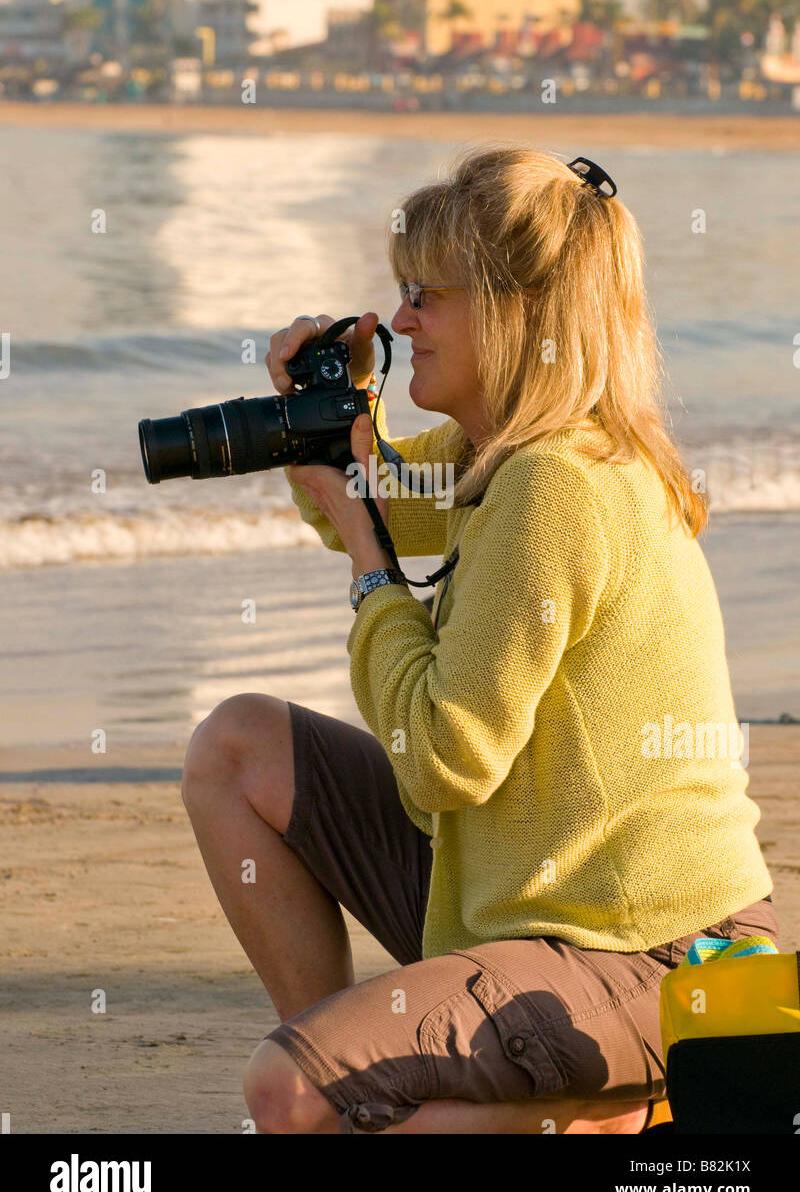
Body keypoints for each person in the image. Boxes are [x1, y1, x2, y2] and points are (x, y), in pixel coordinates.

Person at [182, 146, 778, 1135]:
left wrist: (374, 570)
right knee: (237, 746)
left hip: (654, 955)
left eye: (426, 296)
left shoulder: (555, 485)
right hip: (515, 898)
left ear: (513, 312)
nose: (401, 319)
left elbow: (443, 759)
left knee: (288, 1092)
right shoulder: (498, 459)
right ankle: (373, 1072)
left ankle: (613, 1104)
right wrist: (327, 426)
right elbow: (359, 509)